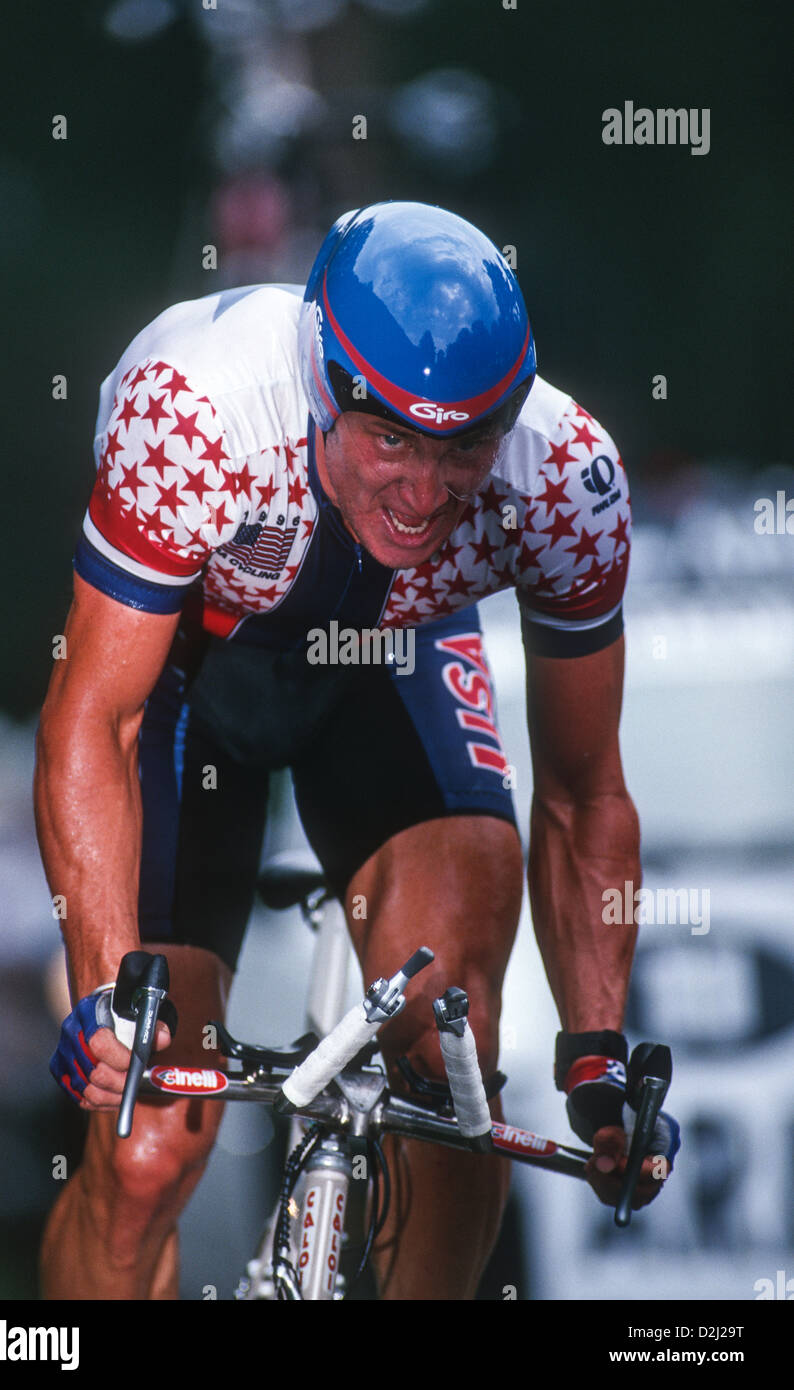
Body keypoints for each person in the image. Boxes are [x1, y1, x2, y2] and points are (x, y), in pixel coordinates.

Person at [36, 200, 679, 1300]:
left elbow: (581, 793)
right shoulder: (194, 411)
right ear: (325, 386)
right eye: (390, 438)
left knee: (452, 1076)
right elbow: (95, 721)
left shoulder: (564, 477)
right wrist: (108, 999)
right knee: (148, 1147)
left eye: (462, 445)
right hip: (189, 675)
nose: (424, 493)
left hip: (394, 659)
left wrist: (596, 1048)